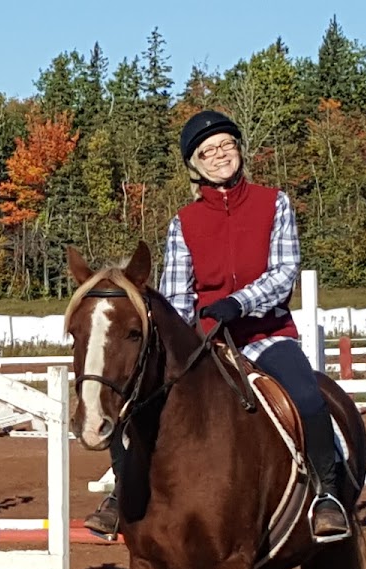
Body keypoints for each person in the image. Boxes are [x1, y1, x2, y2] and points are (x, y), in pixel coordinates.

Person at [82, 110, 351, 541]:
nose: (219, 156)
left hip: (265, 336)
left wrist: (238, 303)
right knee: (138, 401)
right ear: (196, 164)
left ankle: (327, 494)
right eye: (208, 152)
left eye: (225, 145)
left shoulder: (274, 203)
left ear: (239, 148)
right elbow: (176, 294)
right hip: (206, 342)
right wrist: (181, 338)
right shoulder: (183, 222)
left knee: (306, 396)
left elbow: (284, 273)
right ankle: (121, 491)